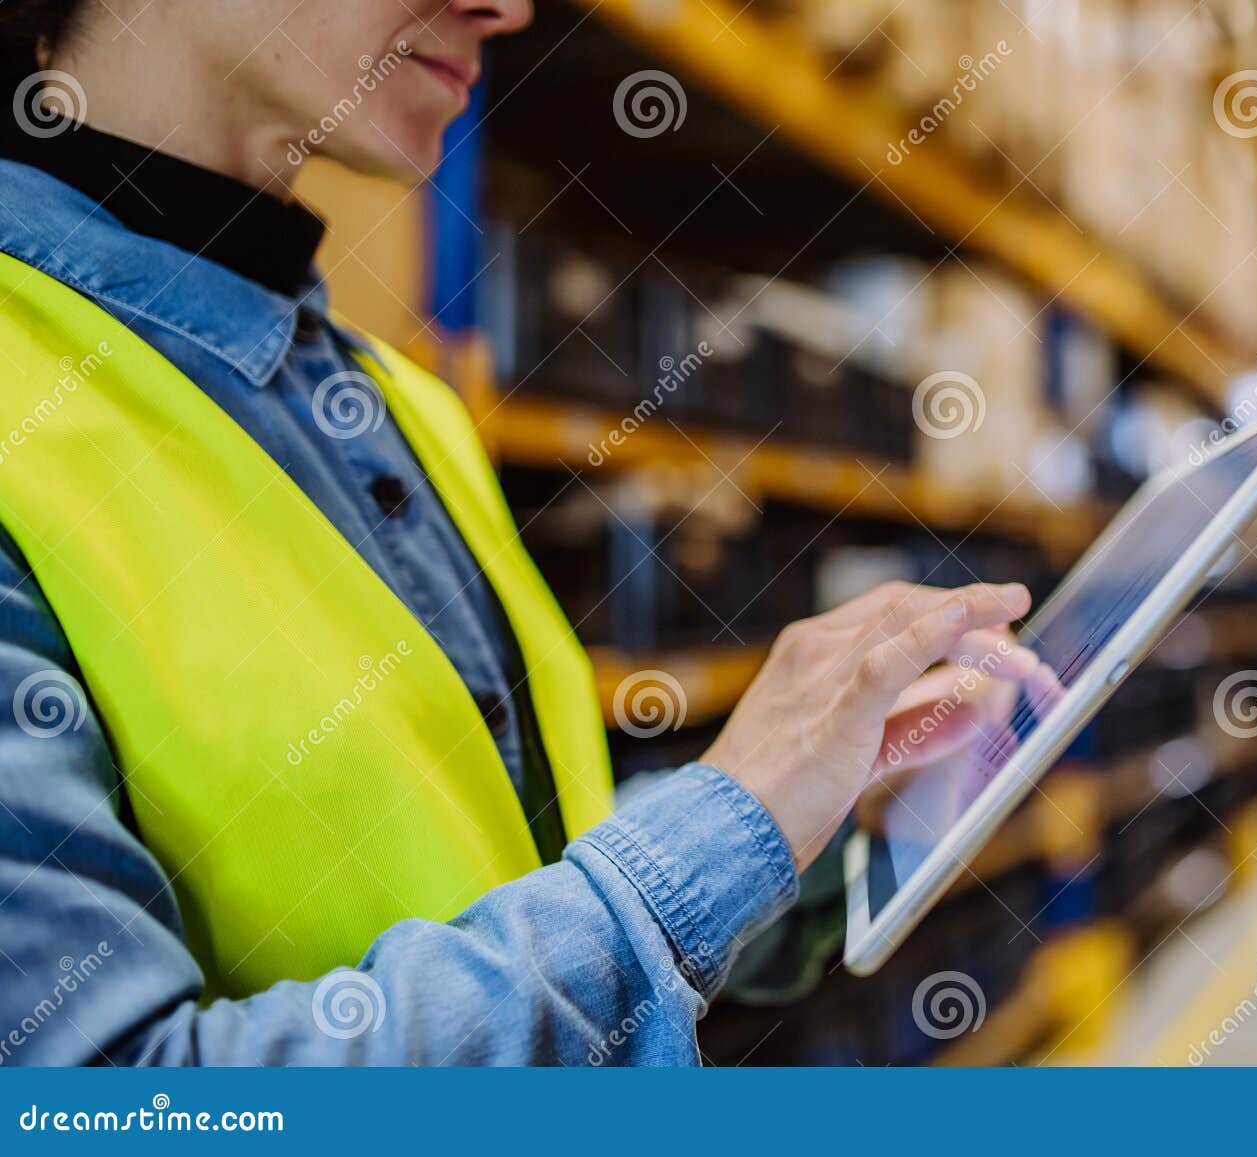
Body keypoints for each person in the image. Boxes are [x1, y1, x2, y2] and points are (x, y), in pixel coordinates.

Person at [0, 0, 1030, 1065]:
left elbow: (516, 861)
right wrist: (722, 827)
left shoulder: (401, 402)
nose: (508, 7)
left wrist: (811, 808)